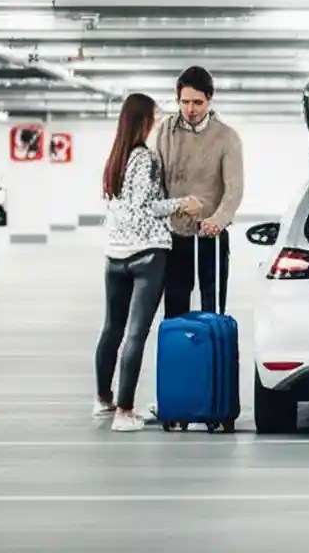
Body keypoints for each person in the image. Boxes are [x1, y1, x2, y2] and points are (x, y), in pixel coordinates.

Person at [94, 92, 203, 432]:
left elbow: (120, 205)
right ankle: (125, 413)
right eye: (153, 117)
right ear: (142, 121)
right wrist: (182, 203)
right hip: (147, 255)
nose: (156, 122)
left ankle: (103, 399)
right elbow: (146, 205)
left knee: (112, 328)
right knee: (136, 333)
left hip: (115, 254)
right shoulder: (143, 158)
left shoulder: (115, 158)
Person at [151, 65, 244, 319]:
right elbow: (156, 180)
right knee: (175, 299)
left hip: (211, 233)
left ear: (209, 101)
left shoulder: (226, 137)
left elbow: (234, 188)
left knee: (212, 301)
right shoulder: (165, 131)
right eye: (184, 102)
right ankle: (180, 352)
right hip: (175, 232)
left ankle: (211, 352)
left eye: (197, 102)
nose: (190, 109)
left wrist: (219, 219)